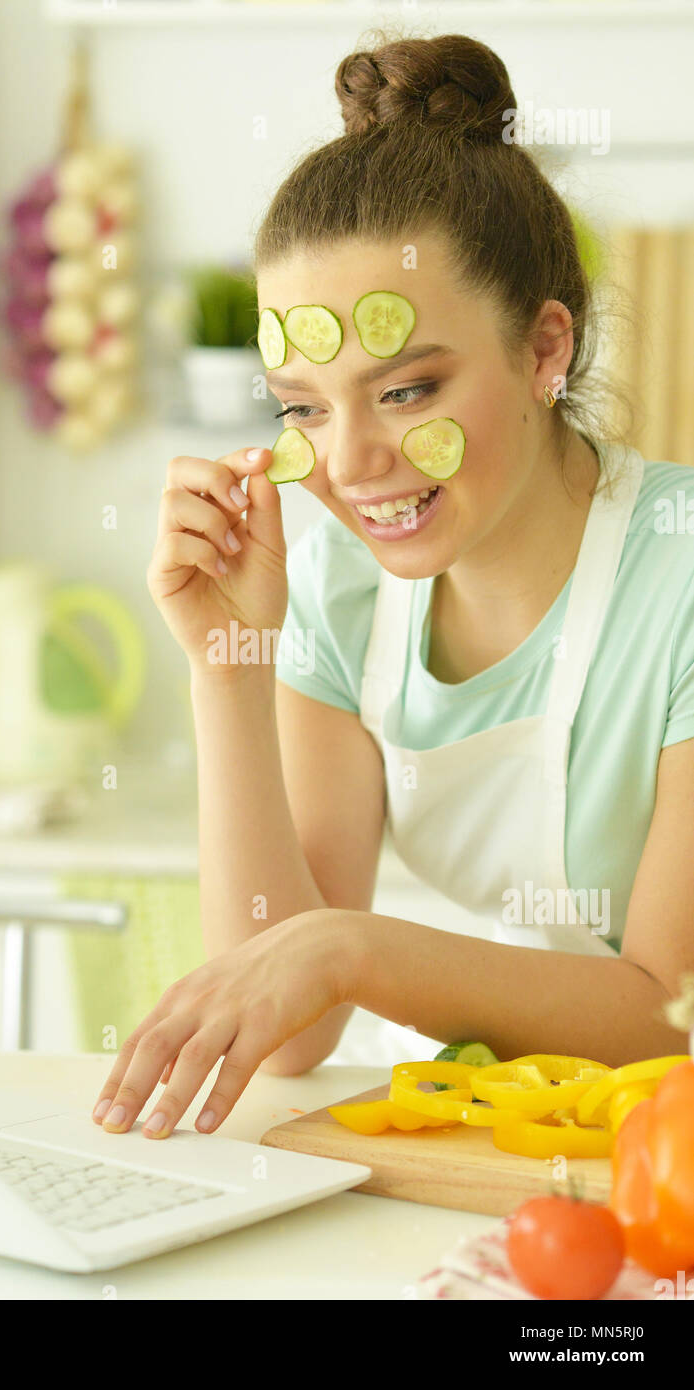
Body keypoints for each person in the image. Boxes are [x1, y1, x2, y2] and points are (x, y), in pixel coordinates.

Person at [92, 32, 694, 1142]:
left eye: (408, 389)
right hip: (506, 1146)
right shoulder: (336, 587)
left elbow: (665, 1014)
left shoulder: (682, 575)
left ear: (542, 350)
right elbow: (286, 1035)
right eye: (301, 407)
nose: (352, 461)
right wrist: (227, 661)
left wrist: (348, 947)